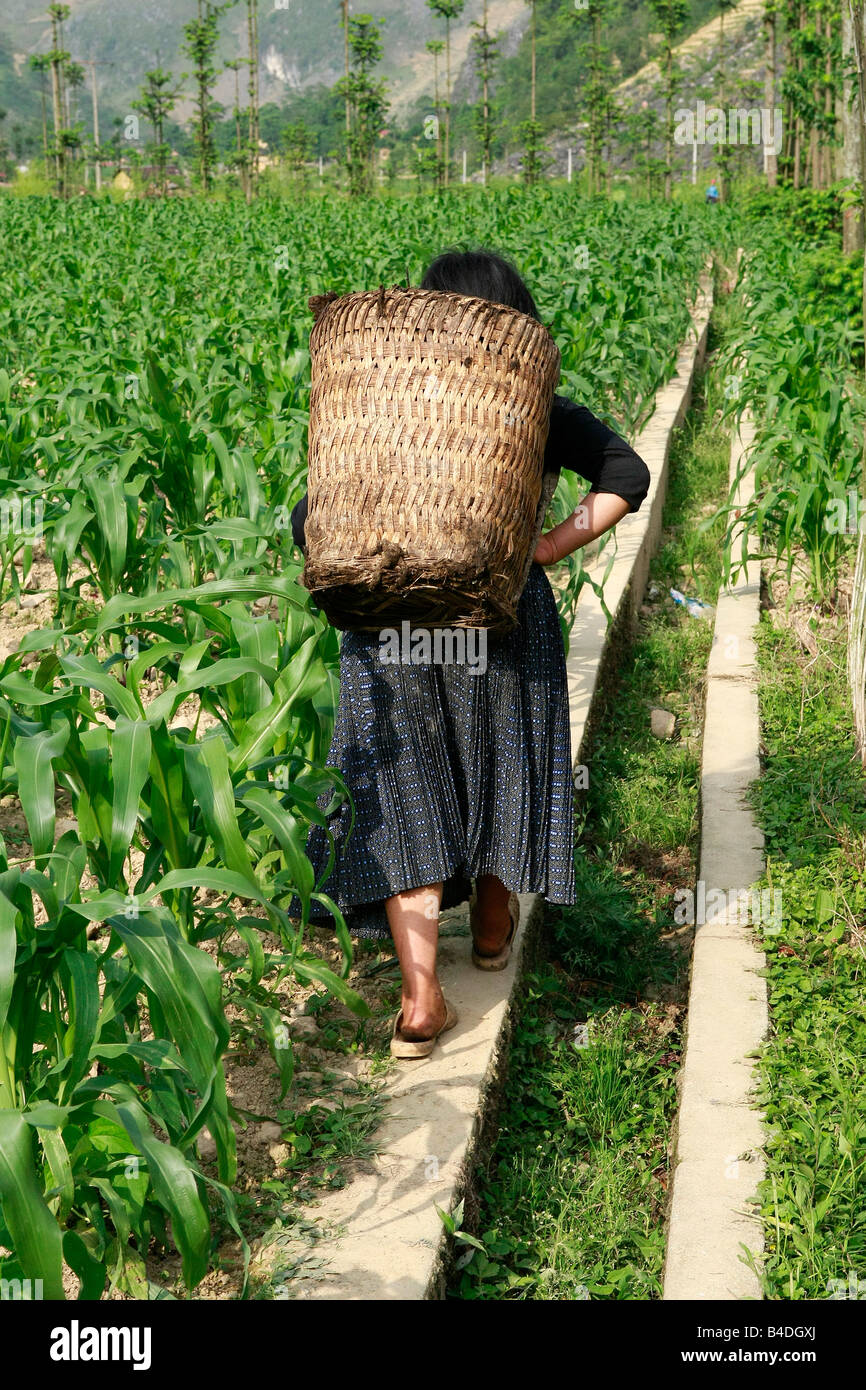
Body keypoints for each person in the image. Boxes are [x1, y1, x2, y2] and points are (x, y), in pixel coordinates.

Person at [290, 249, 650, 1058]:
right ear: (511, 321)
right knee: (504, 764)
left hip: (389, 623)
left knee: (404, 793)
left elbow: (308, 519)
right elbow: (628, 470)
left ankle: (420, 1002)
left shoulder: (386, 405)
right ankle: (493, 926)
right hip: (500, 611)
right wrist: (548, 547)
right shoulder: (530, 403)